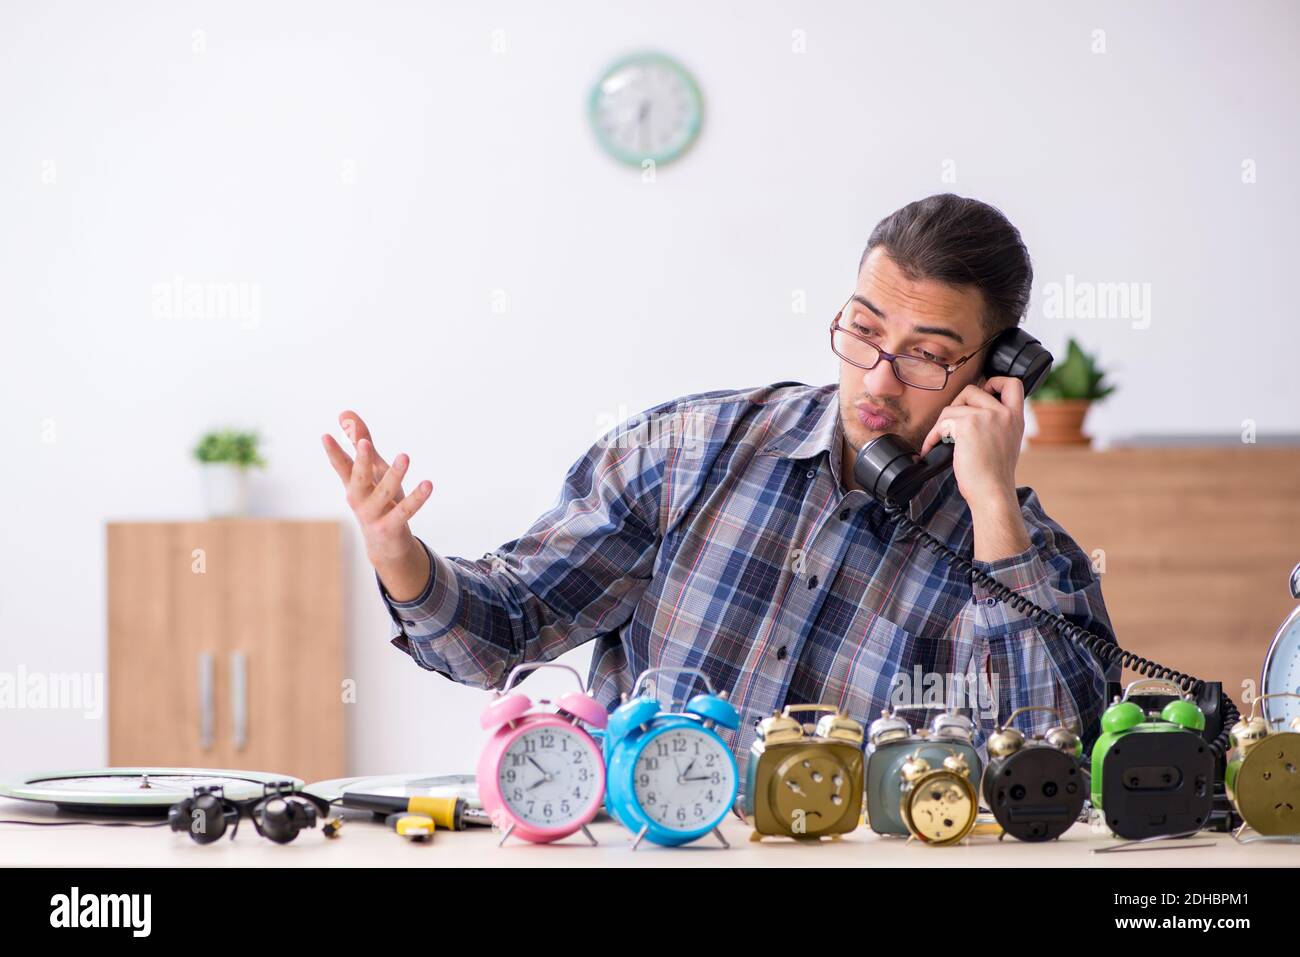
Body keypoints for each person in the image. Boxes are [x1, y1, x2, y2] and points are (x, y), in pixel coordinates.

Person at [321, 193, 1116, 776]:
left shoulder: (1032, 559)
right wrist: (400, 554)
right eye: (865, 330)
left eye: (926, 354)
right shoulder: (689, 453)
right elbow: (502, 630)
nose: (878, 378)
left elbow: (1051, 770)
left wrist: (991, 510)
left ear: (998, 372)